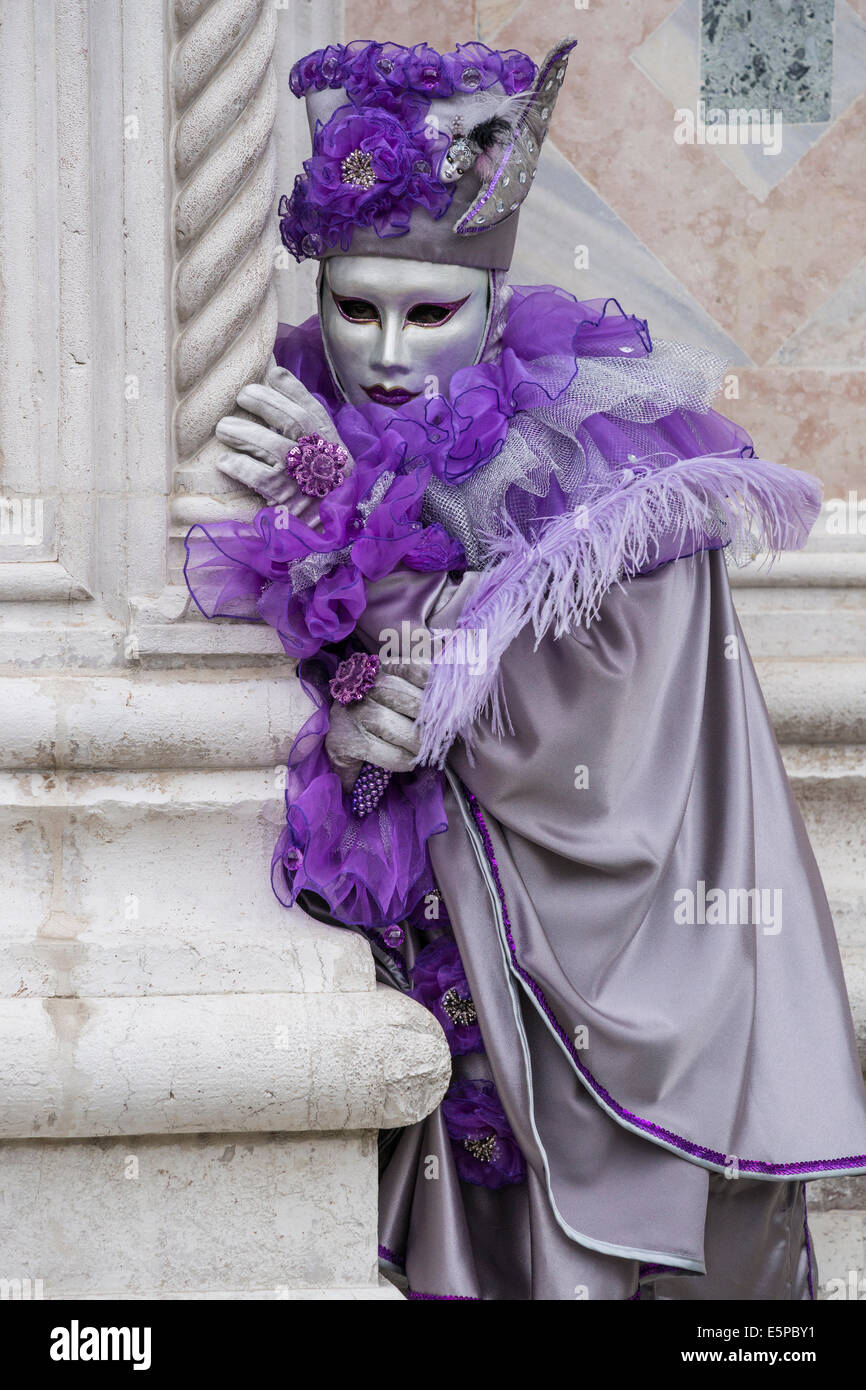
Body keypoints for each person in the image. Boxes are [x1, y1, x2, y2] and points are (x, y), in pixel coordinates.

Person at [184, 36, 866, 1300]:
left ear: (493, 305)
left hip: (600, 978)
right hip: (447, 971)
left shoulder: (600, 462)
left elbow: (592, 726)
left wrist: (356, 547)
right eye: (354, 306)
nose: (387, 353)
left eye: (429, 311)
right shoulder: (297, 425)